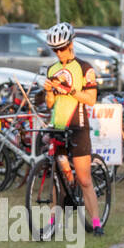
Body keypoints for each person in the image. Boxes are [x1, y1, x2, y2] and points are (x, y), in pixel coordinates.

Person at [42, 22, 105, 232]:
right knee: (57, 177)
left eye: (61, 48)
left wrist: (68, 90)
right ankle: (53, 222)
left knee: (85, 179)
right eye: (55, 50)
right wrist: (50, 91)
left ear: (70, 44)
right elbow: (50, 104)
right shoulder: (52, 69)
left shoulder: (84, 68)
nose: (59, 53)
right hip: (57, 127)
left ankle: (96, 223)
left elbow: (91, 99)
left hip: (78, 127)